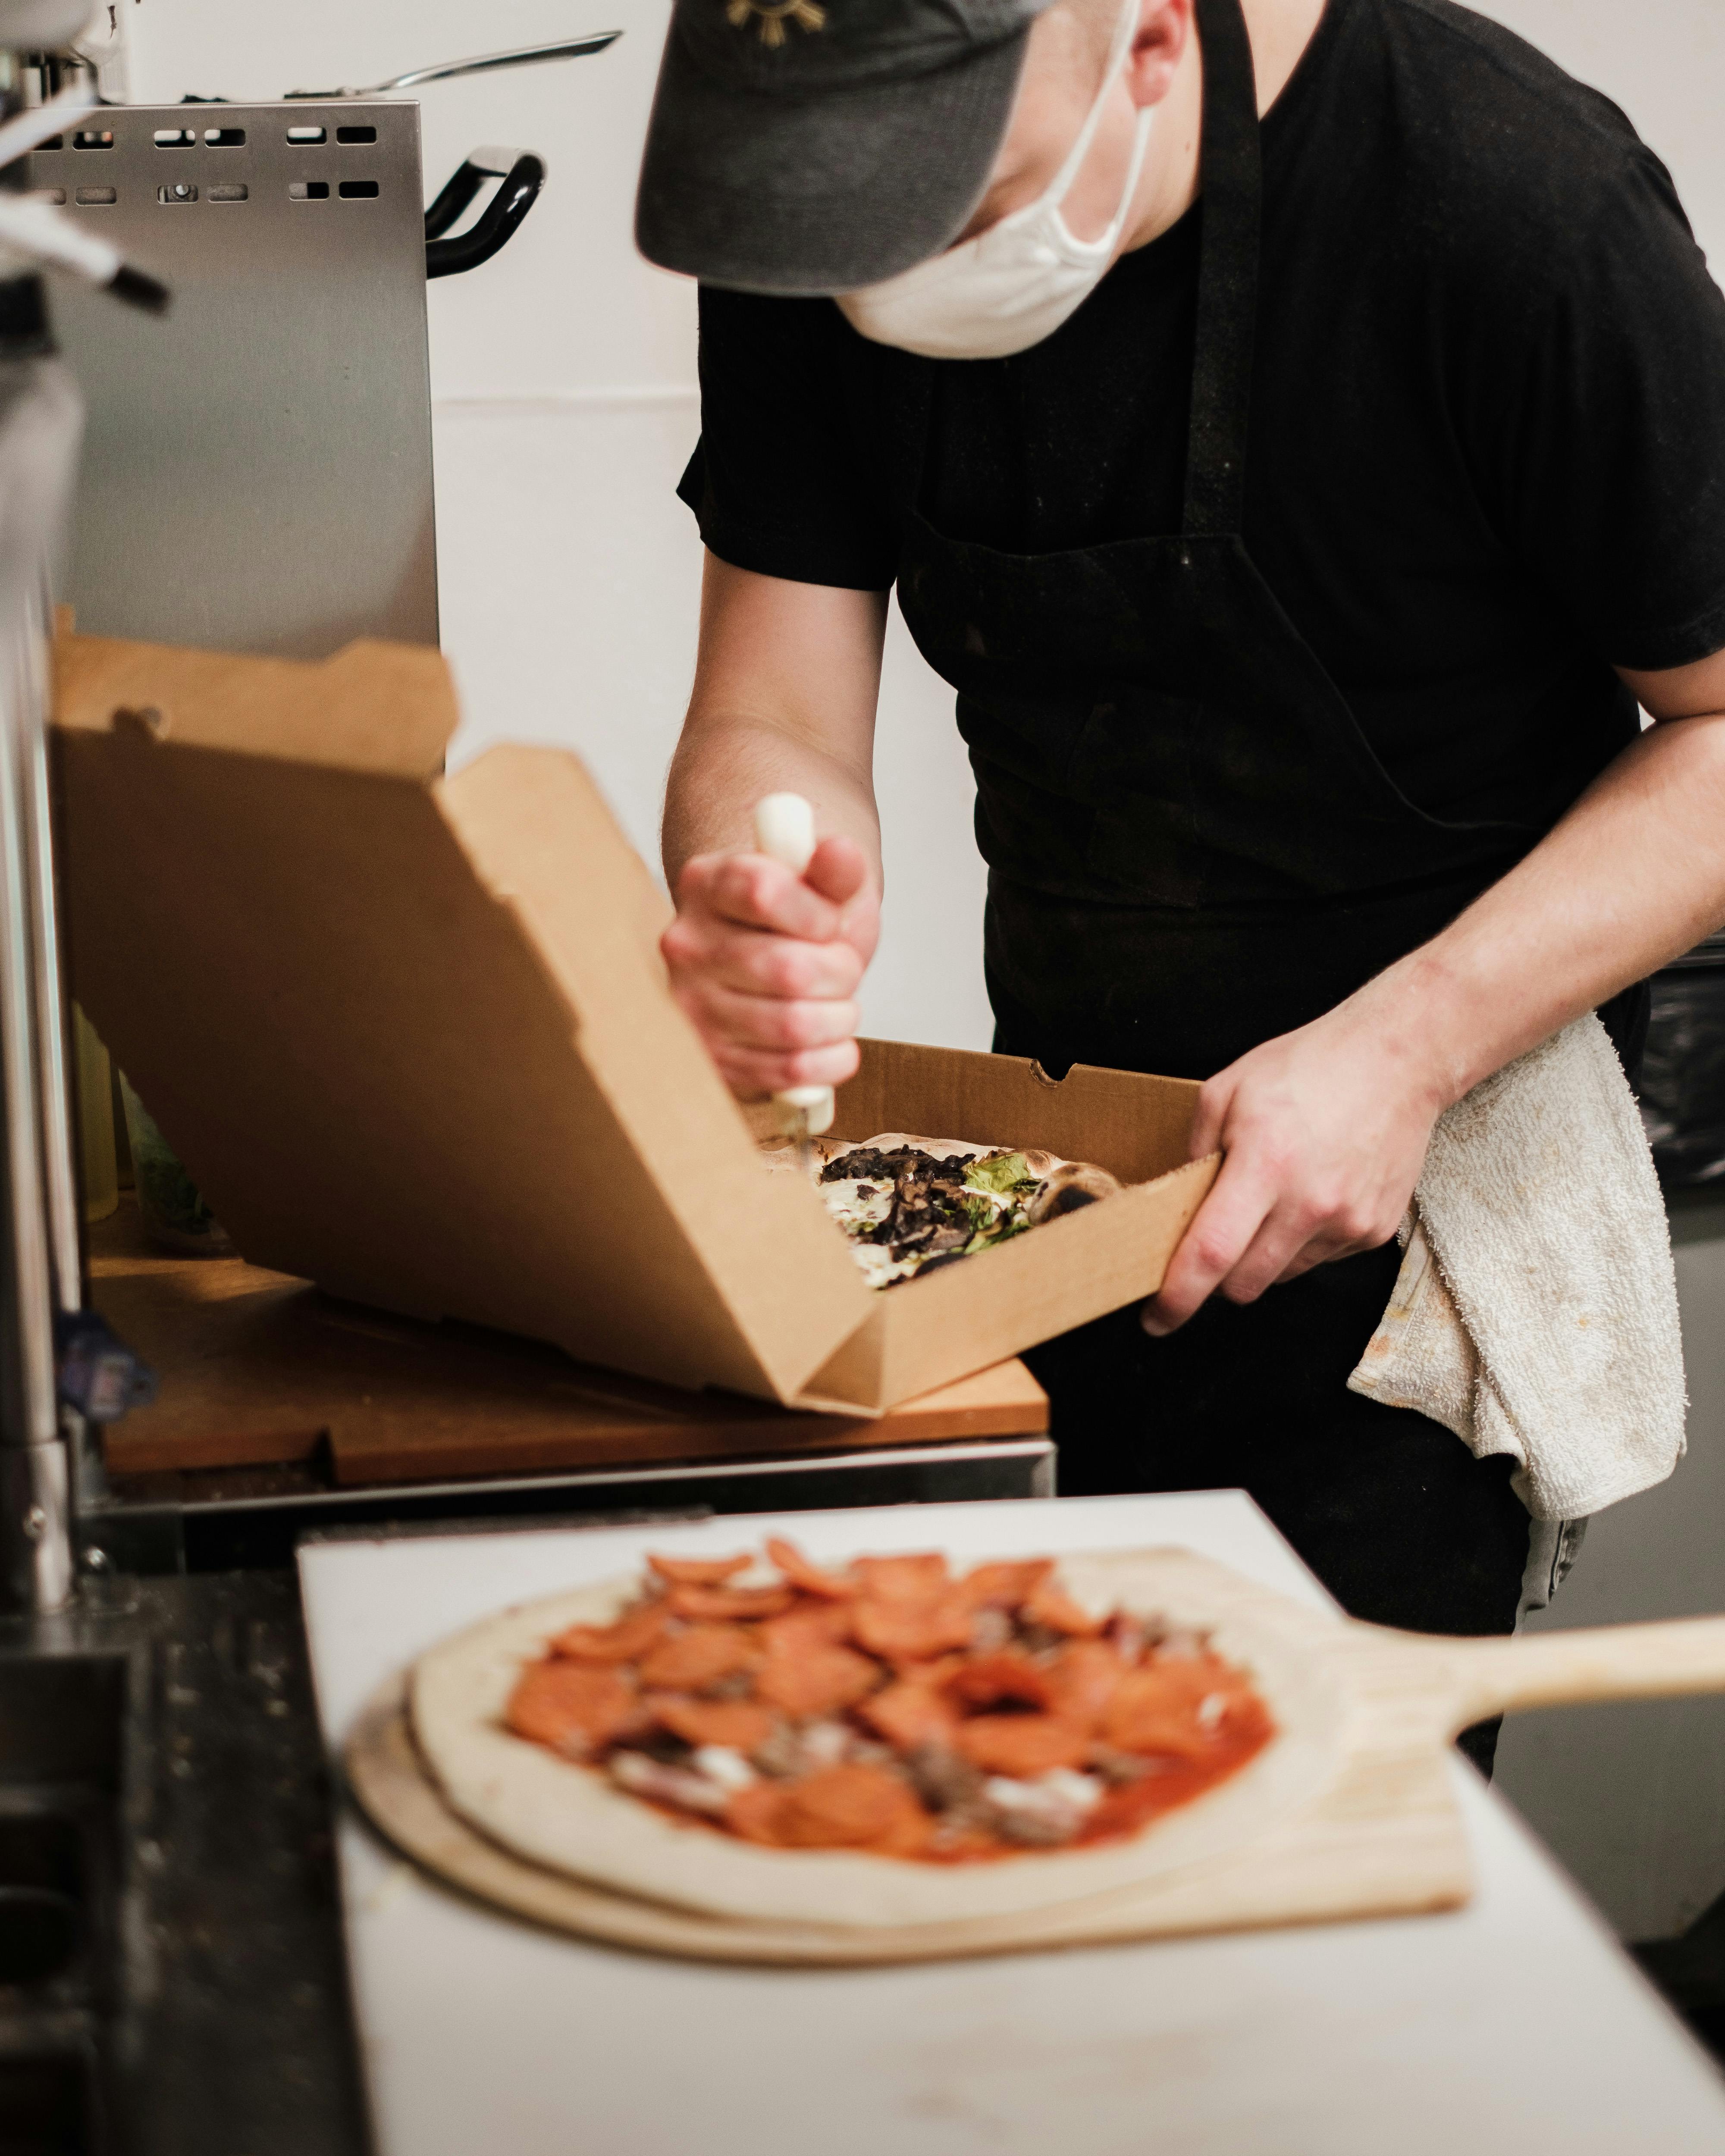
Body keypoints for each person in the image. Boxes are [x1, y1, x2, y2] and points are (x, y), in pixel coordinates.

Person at [636, 0, 1725, 1769]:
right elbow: (769, 704)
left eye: (960, 204)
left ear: (1146, 43)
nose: (890, 274)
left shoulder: (1504, 201)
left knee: (1293, 1878)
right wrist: (753, 868)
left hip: (1410, 1220)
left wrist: (1402, 1050)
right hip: (1049, 1196)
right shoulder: (829, 190)